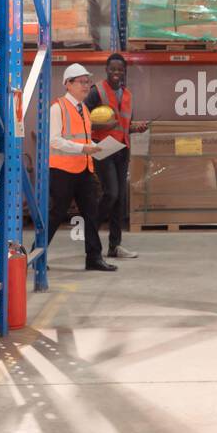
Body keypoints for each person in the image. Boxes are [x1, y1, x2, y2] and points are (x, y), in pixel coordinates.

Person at [42, 63, 116, 273]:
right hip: (62, 171)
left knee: (91, 213)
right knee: (56, 214)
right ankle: (36, 255)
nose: (86, 86)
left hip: (84, 169)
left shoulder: (84, 109)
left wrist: (95, 147)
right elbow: (54, 140)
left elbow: (82, 138)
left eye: (88, 82)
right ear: (68, 84)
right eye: (82, 82)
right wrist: (82, 147)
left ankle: (94, 258)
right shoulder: (58, 108)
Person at [85, 52, 148, 259]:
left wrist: (135, 128)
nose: (116, 73)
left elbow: (124, 124)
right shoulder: (97, 92)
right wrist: (103, 125)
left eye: (120, 70)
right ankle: (91, 230)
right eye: (112, 69)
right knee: (111, 193)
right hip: (103, 149)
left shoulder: (128, 95)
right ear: (106, 70)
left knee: (120, 198)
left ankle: (115, 246)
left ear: (124, 72)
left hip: (122, 149)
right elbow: (82, 120)